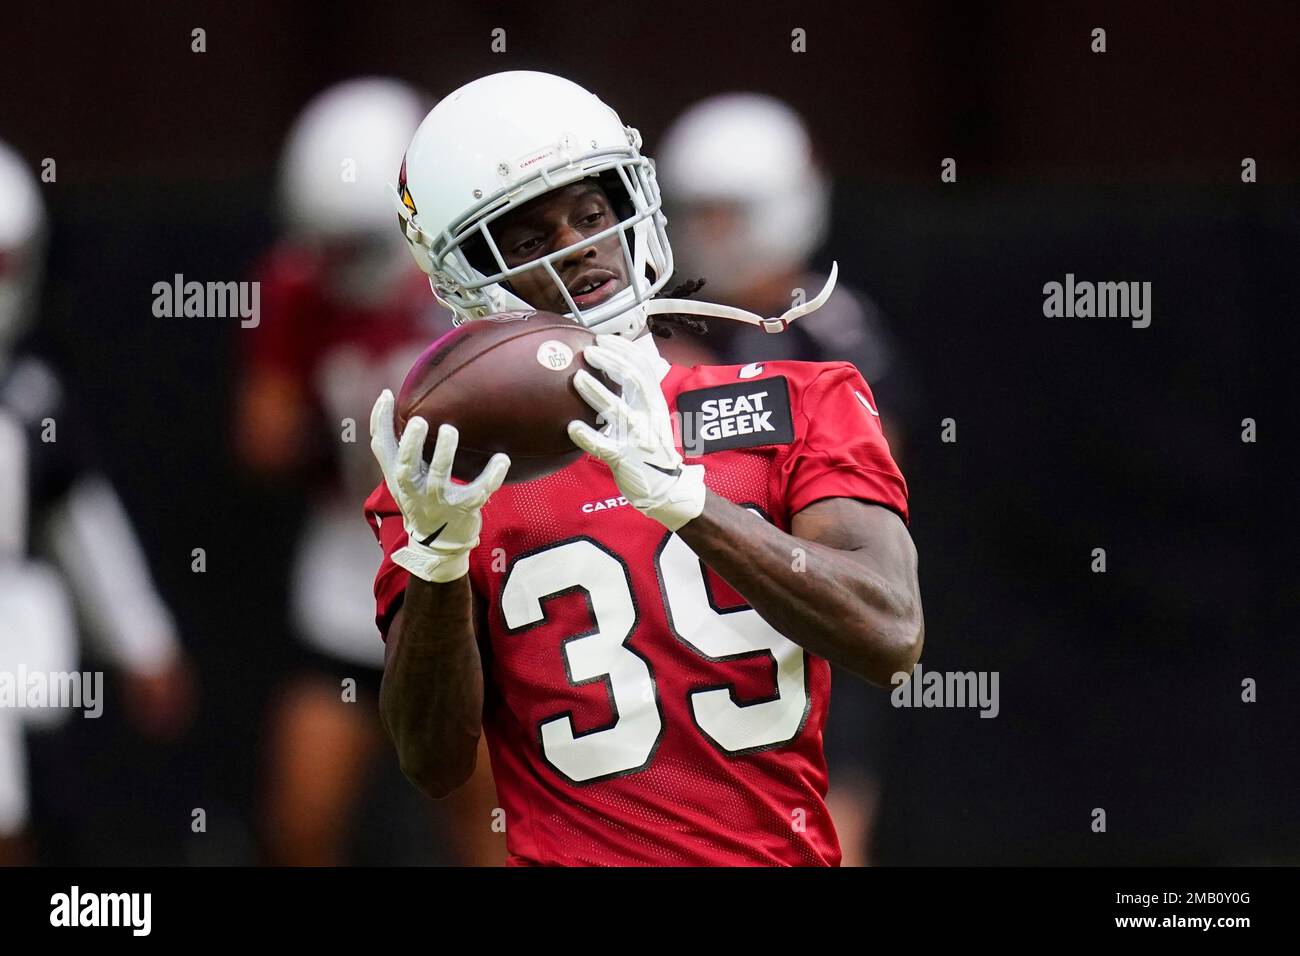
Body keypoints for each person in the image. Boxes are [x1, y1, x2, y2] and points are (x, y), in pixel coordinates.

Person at [365, 71, 924, 866]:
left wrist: (682, 499)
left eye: (591, 213)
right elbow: (433, 761)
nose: (580, 247)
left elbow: (892, 634)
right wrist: (438, 558)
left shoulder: (803, 397)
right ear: (464, 279)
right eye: (528, 239)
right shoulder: (450, 475)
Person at [235, 78, 499, 866]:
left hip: (466, 575)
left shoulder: (474, 284)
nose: (340, 262)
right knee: (299, 823)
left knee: (486, 825)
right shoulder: (295, 284)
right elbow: (264, 439)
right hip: (349, 579)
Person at [657, 92, 921, 864]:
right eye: (699, 211)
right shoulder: (656, 325)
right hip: (672, 631)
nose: (713, 233)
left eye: (731, 212)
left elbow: (873, 497)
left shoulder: (837, 333)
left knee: (824, 843)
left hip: (801, 629)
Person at [0, 138, 193, 865]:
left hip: (16, 640)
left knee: (25, 819)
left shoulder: (31, 396)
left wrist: (142, 639)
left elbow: (81, 520)